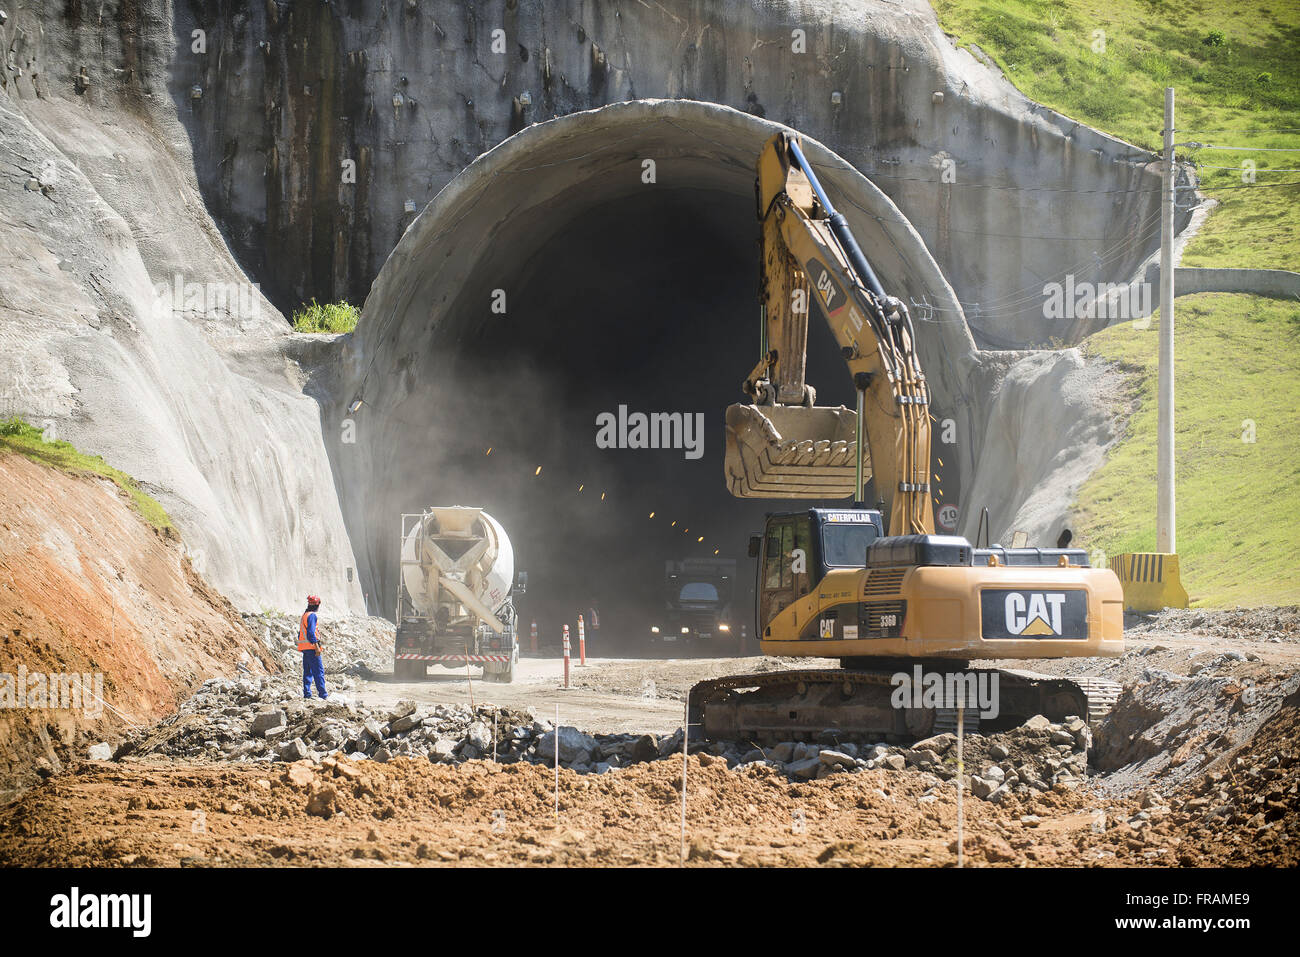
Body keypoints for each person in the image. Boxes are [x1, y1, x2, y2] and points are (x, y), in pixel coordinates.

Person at [298, 594, 328, 700]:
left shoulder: (304, 615)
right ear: (317, 605)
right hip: (311, 648)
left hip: (305, 648)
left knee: (307, 671)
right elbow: (311, 633)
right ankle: (323, 695)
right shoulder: (312, 616)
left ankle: (307, 694)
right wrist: (316, 647)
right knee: (318, 671)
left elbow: (301, 633)